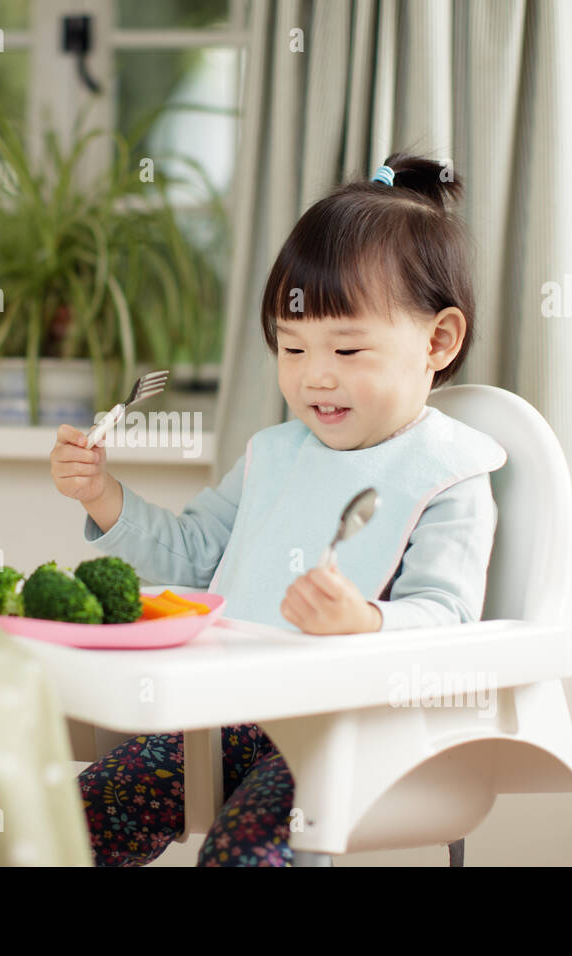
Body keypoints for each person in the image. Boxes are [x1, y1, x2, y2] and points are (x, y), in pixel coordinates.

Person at [49, 152, 508, 866]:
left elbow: (447, 617)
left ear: (438, 342)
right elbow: (195, 558)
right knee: (72, 820)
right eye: (291, 347)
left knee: (242, 854)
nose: (314, 374)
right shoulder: (274, 453)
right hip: (229, 711)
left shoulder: (451, 472)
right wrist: (102, 497)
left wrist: (365, 621)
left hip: (348, 725)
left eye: (348, 347)